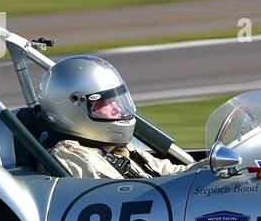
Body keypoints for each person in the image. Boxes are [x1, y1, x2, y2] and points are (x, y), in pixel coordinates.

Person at [36, 54, 186, 179]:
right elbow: (126, 191)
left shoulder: (114, 148)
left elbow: (168, 172)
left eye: (116, 100)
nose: (118, 108)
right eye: (105, 102)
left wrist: (205, 168)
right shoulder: (71, 157)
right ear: (72, 110)